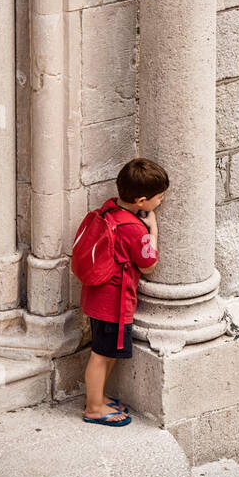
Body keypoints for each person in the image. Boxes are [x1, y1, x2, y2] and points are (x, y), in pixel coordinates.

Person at [80, 158, 166, 426]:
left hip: (99, 296)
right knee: (101, 354)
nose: (160, 203)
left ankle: (99, 397)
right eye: (158, 199)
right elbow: (148, 263)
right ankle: (94, 407)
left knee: (108, 352)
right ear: (141, 201)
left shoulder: (110, 210)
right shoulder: (133, 229)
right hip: (113, 301)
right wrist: (152, 231)